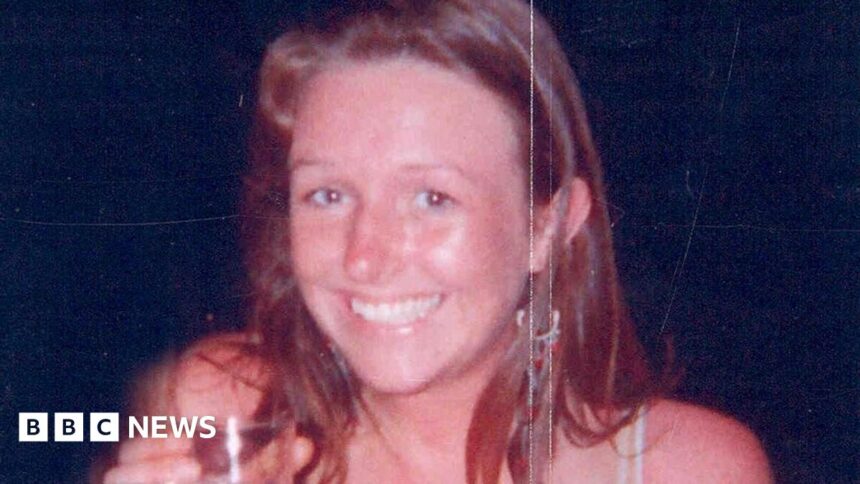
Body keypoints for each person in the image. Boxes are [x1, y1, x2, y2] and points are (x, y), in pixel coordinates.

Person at [104, 1, 772, 482]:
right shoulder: (224, 415)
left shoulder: (692, 467)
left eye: (432, 198)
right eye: (328, 195)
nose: (363, 255)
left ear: (548, 227)